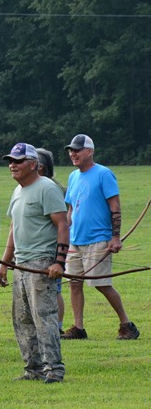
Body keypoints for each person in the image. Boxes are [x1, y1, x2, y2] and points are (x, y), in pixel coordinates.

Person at [0, 143, 69, 383]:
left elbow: (62, 225)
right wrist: (4, 264)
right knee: (22, 319)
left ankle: (54, 370)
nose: (12, 165)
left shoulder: (46, 188)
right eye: (10, 161)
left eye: (18, 161)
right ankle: (33, 369)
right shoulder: (18, 191)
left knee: (44, 317)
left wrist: (59, 262)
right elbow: (14, 230)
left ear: (34, 164)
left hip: (41, 263)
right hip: (21, 264)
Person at [61, 134, 139, 340]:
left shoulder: (104, 174)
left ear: (90, 151)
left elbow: (115, 206)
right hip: (76, 241)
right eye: (71, 150)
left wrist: (115, 237)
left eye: (77, 150)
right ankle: (79, 328)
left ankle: (127, 324)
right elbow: (70, 210)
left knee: (101, 283)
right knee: (74, 283)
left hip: (98, 239)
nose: (73, 153)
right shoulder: (73, 176)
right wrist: (65, 236)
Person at [36, 147, 67, 335]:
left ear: (40, 167)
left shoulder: (52, 188)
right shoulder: (33, 186)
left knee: (54, 290)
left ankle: (58, 327)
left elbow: (64, 223)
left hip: (51, 249)